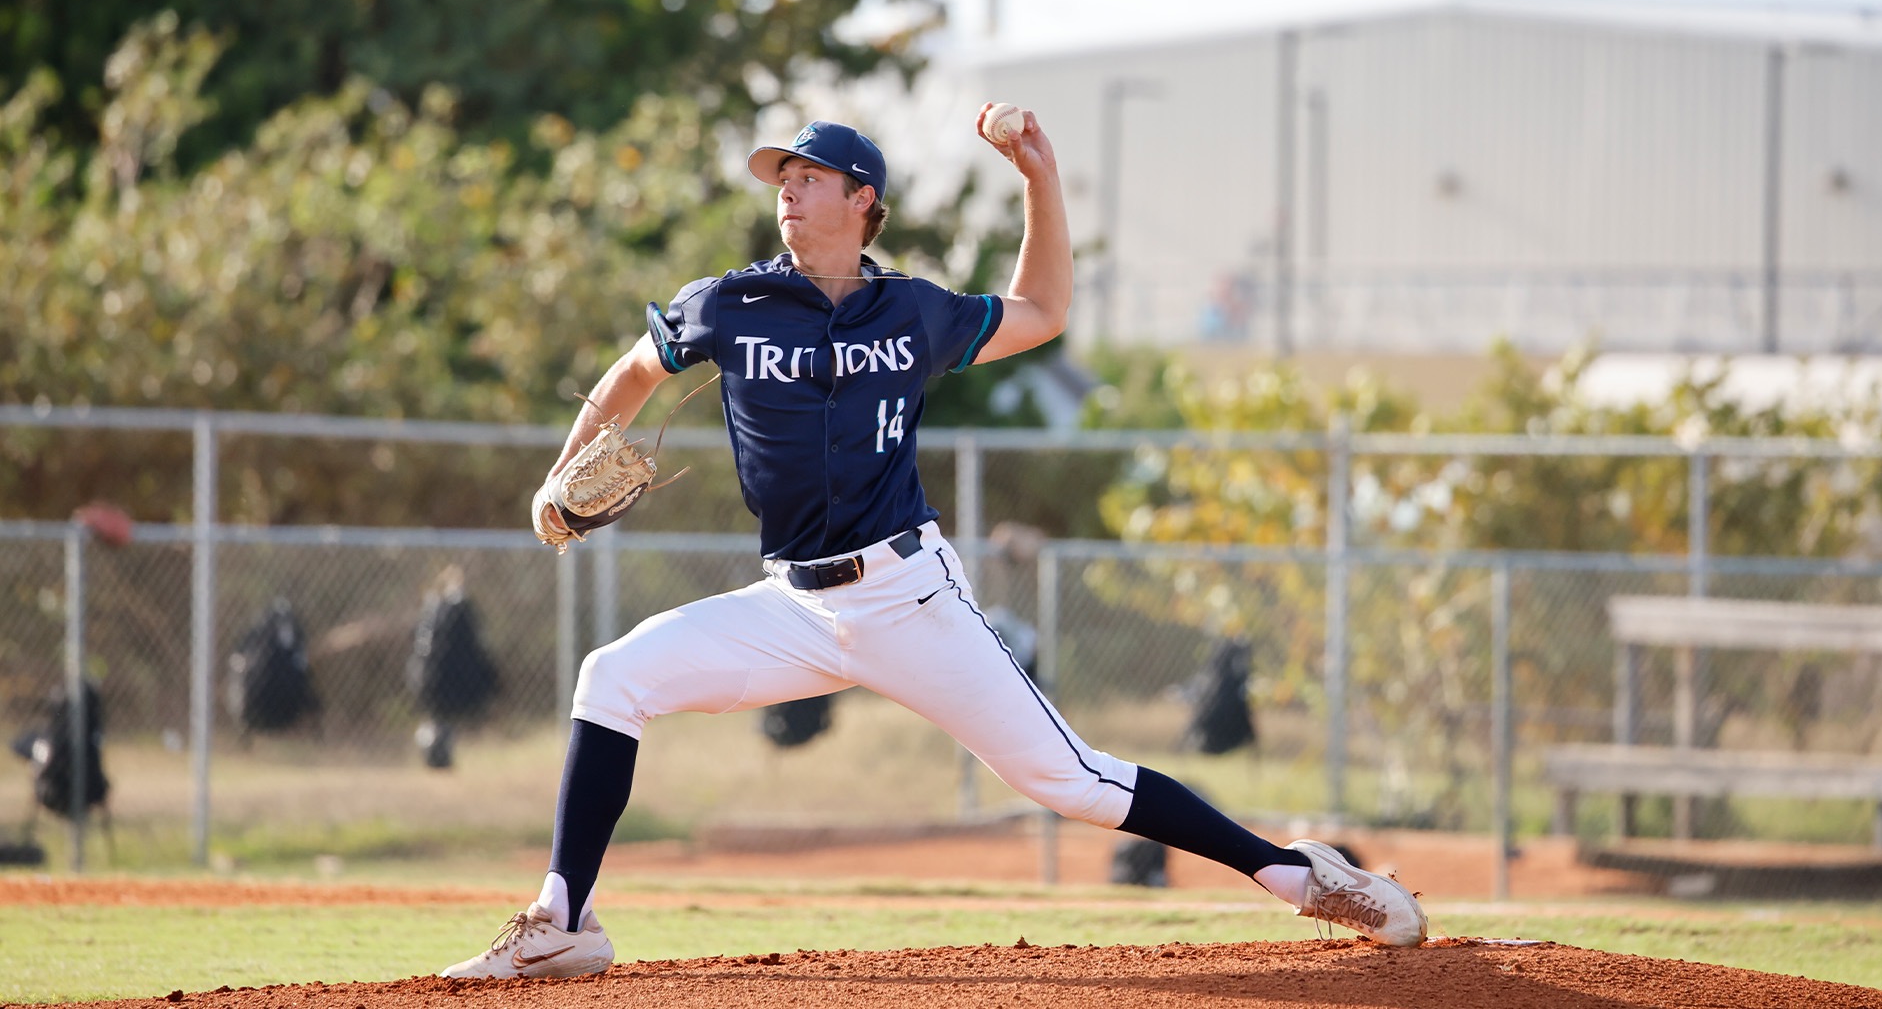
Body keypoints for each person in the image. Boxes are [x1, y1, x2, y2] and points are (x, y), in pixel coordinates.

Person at [440, 109, 1426, 980]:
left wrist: (1039, 178)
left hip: (908, 598)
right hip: (794, 605)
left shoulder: (912, 312)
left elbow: (1044, 312)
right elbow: (632, 373)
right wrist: (558, 474)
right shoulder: (729, 303)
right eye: (782, 177)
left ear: (862, 200)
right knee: (613, 677)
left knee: (1071, 781)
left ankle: (1298, 876)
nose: (787, 189)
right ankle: (561, 921)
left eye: (809, 176)